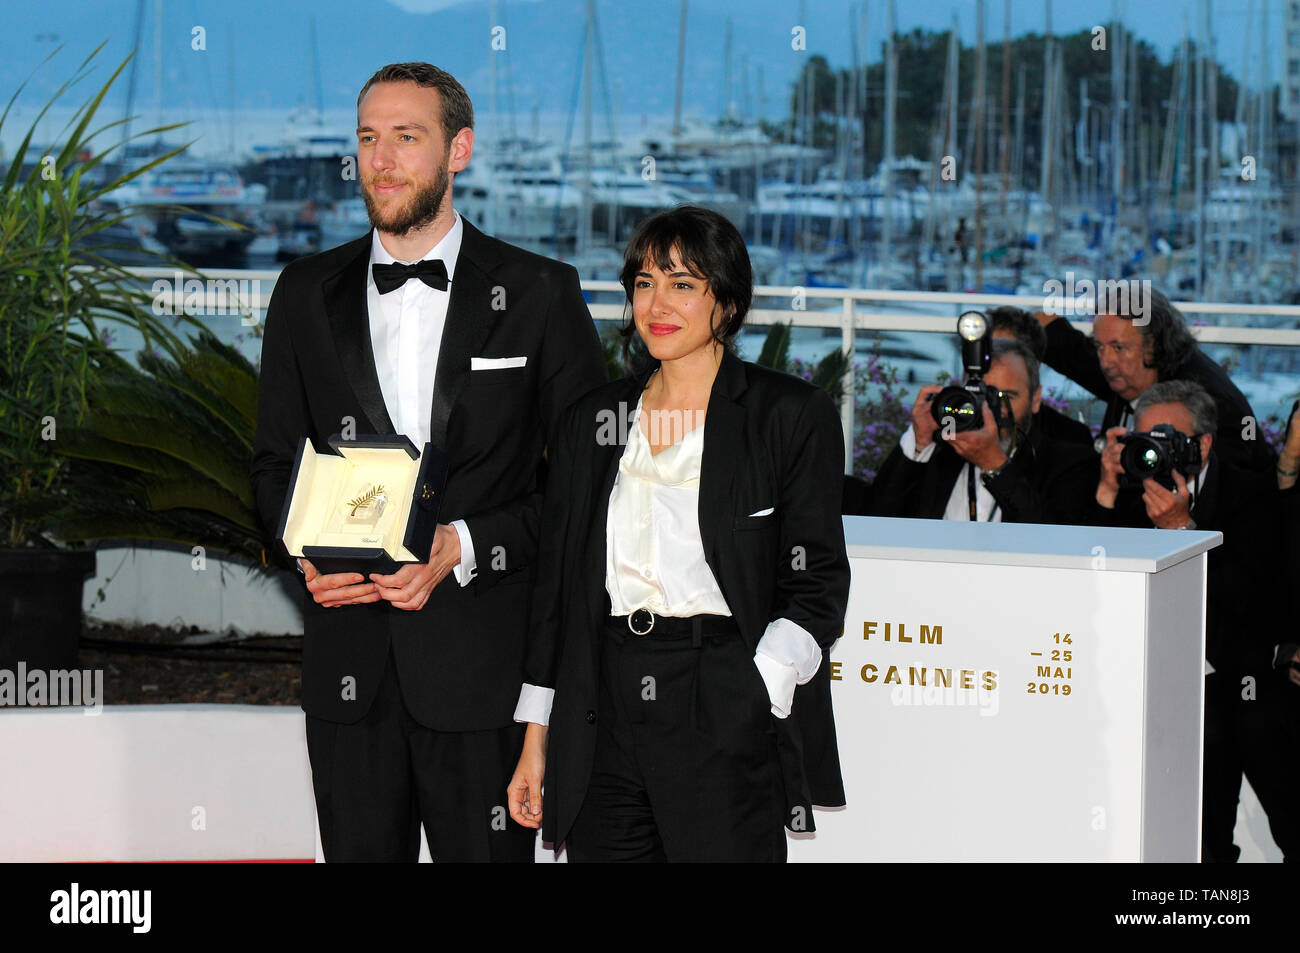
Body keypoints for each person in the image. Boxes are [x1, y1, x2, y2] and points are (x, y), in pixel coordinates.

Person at [249, 62, 606, 862]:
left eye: (407, 137)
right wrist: (306, 548)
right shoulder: (304, 292)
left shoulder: (540, 292)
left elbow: (588, 490)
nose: (381, 160)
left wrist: (467, 545)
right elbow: (274, 465)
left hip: (484, 677)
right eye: (369, 138)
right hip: (348, 673)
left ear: (460, 150)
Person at [505, 206, 850, 862]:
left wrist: (762, 686)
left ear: (728, 300)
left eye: (683, 284)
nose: (657, 303)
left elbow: (817, 579)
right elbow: (556, 594)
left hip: (717, 688)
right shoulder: (594, 420)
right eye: (643, 282)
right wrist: (535, 736)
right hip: (602, 701)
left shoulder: (787, 415)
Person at [1091, 379, 1298, 862]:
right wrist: (1103, 489)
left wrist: (1183, 532)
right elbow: (1092, 583)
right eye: (1143, 439)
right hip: (1133, 674)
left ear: (1202, 443)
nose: (1151, 452)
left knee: (1205, 826)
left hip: (1226, 681)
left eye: (1164, 438)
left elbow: (1252, 604)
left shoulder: (1251, 492)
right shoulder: (1124, 490)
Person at [1035, 287, 1273, 474]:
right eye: (1099, 346)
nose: (1105, 362)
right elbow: (1077, 355)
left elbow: (1237, 487)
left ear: (1152, 346)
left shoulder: (1204, 401)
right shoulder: (1133, 368)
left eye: (1118, 347)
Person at [870, 339, 1098, 525]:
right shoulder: (941, 453)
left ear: (1035, 399)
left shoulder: (1068, 463)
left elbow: (1052, 539)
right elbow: (876, 519)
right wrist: (919, 443)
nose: (993, 409)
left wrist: (996, 466)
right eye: (983, 396)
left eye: (1006, 397)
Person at [987, 305, 1092, 447]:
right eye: (984, 353)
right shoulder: (952, 422)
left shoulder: (1070, 439)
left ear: (1033, 365)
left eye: (1004, 354)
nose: (991, 363)